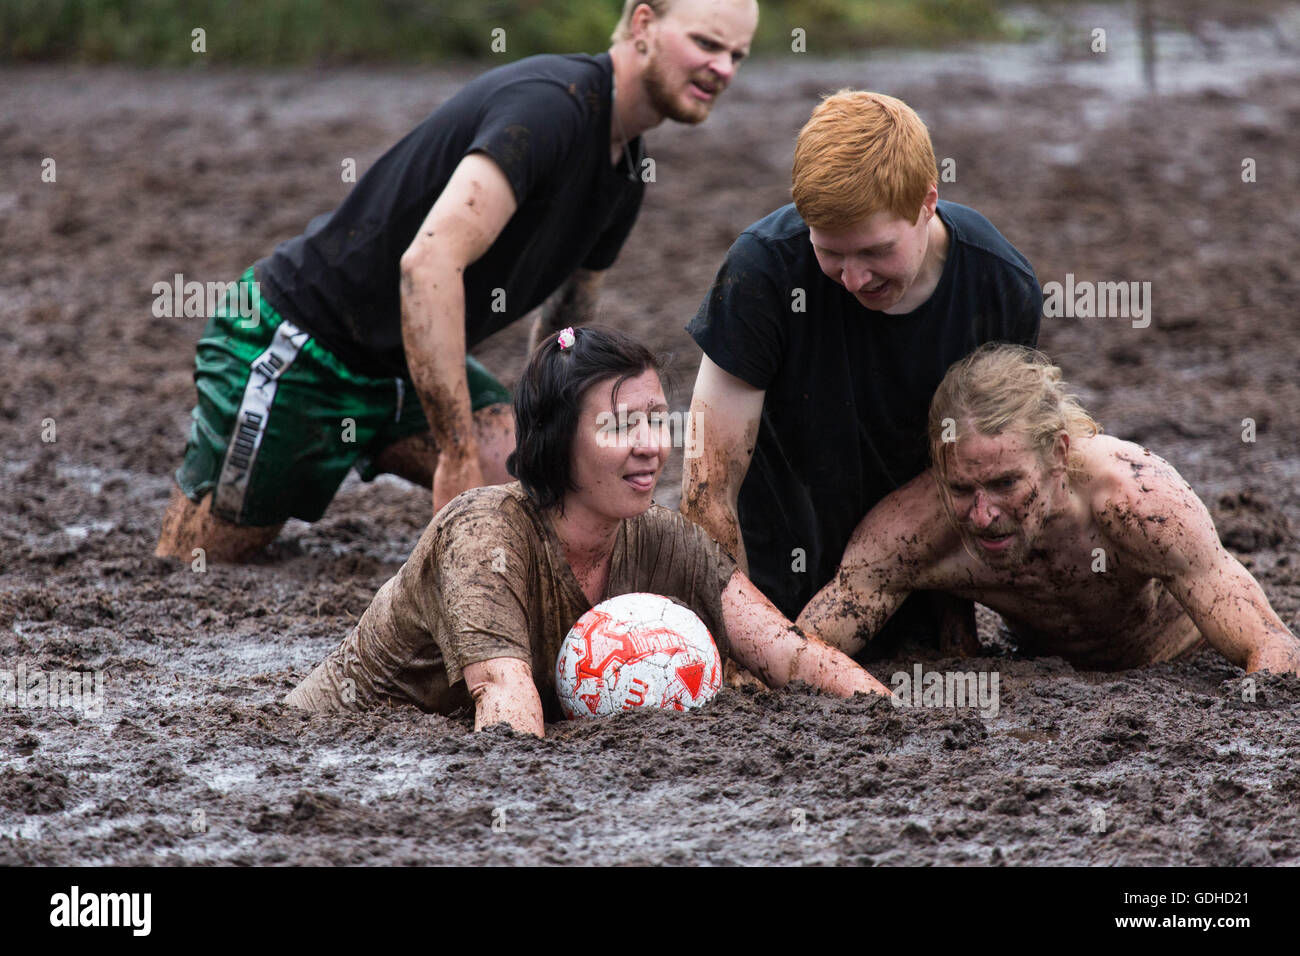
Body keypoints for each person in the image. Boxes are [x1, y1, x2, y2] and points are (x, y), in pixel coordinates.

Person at [156, 0, 760, 562]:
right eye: (707, 42)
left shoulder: (627, 169)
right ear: (644, 25)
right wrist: (455, 452)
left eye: (737, 55)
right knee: (199, 562)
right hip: (298, 347)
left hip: (415, 365)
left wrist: (561, 434)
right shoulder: (550, 107)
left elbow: (566, 328)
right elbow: (428, 264)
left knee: (549, 492)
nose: (722, 67)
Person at [285, 327, 891, 735]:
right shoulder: (484, 537)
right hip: (335, 752)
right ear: (554, 440)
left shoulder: (661, 536)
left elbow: (788, 653)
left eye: (658, 421)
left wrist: (893, 718)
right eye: (621, 427)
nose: (652, 447)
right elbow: (507, 722)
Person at [681, 90, 1042, 652]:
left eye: (875, 252)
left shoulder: (999, 287)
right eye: (830, 253)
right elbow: (709, 484)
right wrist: (736, 646)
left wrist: (957, 639)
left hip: (916, 588)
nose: (853, 279)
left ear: (928, 202)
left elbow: (984, 471)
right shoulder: (762, 272)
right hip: (771, 590)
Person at [796, 344, 1300, 677]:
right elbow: (801, 649)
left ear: (1058, 454)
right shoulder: (910, 532)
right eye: (961, 487)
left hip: (1183, 664)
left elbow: (1274, 649)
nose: (982, 515)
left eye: (1004, 484)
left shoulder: (1138, 501)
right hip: (1034, 677)